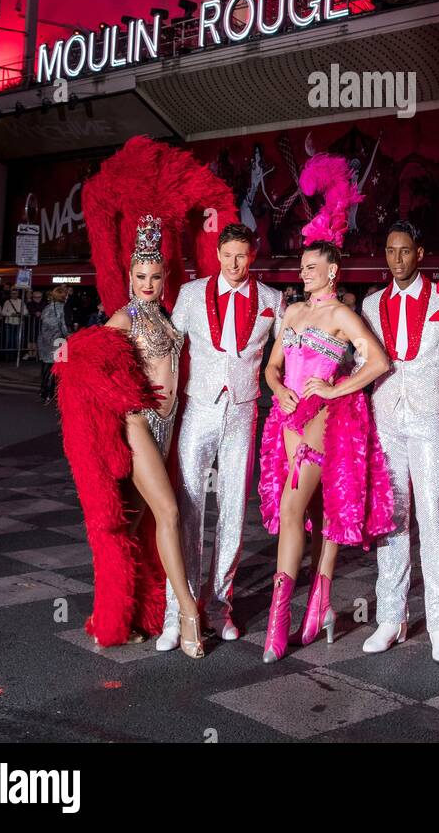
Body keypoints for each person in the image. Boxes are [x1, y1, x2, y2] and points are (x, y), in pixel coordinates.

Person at [55, 134, 238, 651]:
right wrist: (118, 397)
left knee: (134, 522)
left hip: (168, 428)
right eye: (141, 276)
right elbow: (78, 360)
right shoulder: (120, 318)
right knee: (172, 513)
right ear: (129, 276)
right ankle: (187, 615)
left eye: (156, 276)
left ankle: (128, 611)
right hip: (139, 427)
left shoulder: (173, 313)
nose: (149, 284)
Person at [258, 154, 394, 663]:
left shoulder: (342, 314)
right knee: (310, 512)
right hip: (284, 420)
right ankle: (318, 603)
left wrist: (336, 391)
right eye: (302, 266)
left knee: (299, 509)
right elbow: (272, 367)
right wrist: (277, 388)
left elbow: (378, 361)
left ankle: (280, 618)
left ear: (332, 271)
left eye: (312, 267)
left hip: (321, 423)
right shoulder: (291, 310)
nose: (303, 272)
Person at [156, 222, 285, 652]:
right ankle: (179, 610)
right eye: (227, 254)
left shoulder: (271, 300)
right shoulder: (191, 295)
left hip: (244, 411)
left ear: (253, 256)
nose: (233, 263)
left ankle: (218, 607)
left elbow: (294, 349)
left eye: (241, 256)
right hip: (199, 409)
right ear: (216, 252)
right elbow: (167, 348)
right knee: (189, 506)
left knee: (232, 510)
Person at [361, 220, 439, 662]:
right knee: (393, 517)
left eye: (405, 251)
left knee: (433, 515)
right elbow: (359, 359)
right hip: (386, 417)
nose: (398, 259)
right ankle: (391, 616)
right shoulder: (370, 305)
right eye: (390, 251)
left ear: (419, 254)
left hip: (428, 420)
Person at [38, 286, 70, 402]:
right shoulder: (63, 308)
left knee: (46, 366)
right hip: (59, 340)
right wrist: (69, 336)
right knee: (58, 368)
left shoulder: (47, 308)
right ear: (63, 296)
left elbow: (43, 323)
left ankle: (44, 391)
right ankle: (51, 393)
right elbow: (64, 326)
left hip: (45, 340)